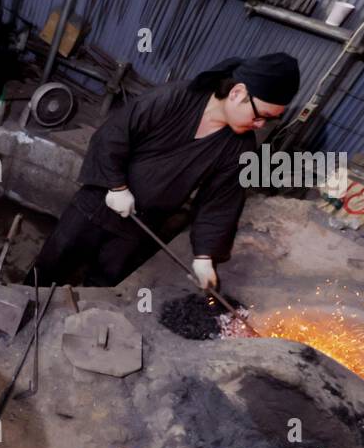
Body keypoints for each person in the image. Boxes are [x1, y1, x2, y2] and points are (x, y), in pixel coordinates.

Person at [33, 52, 301, 290]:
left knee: (104, 282)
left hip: (143, 223)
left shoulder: (239, 147)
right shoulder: (174, 98)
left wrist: (205, 257)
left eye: (268, 120)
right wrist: (116, 186)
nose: (260, 124)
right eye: (259, 115)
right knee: (53, 263)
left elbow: (220, 202)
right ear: (237, 93)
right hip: (99, 202)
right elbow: (113, 135)